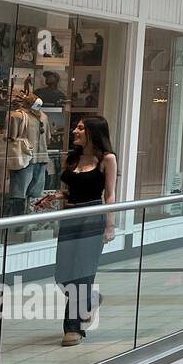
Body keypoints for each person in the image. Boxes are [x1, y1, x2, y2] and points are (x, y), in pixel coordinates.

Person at [53, 116, 117, 346]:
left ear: (93, 132)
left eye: (80, 128)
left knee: (82, 273)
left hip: (93, 218)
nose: (75, 131)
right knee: (62, 276)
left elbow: (109, 195)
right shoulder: (71, 159)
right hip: (69, 219)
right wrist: (57, 196)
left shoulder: (106, 159)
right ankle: (90, 299)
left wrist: (110, 225)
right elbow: (70, 191)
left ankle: (73, 328)